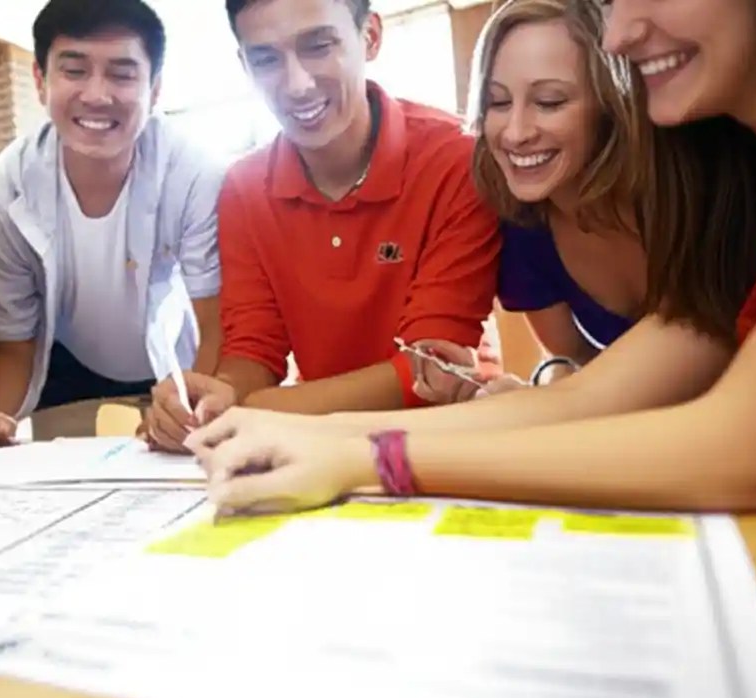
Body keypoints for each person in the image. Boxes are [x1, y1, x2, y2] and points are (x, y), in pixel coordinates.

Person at [189, 0, 756, 535]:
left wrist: (364, 455)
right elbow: (583, 399)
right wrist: (324, 437)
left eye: (550, 100)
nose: (621, 33)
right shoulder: (739, 196)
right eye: (500, 103)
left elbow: (735, 449)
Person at [143, 0, 501, 451]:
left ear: (369, 37)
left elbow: (429, 369)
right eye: (266, 59)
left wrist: (247, 411)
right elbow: (254, 346)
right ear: (244, 66)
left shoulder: (455, 160)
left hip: (454, 434)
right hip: (318, 441)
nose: (296, 85)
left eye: (318, 46)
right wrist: (220, 395)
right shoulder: (244, 187)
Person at [0, 0, 224, 422]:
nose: (97, 95)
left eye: (122, 74)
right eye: (74, 70)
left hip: (174, 368)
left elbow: (217, 322)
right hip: (61, 365)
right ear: (40, 79)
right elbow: (10, 346)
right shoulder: (1, 194)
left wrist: (198, 412)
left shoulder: (194, 175)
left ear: (155, 89)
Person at [465, 0, 648, 395]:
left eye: (549, 102)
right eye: (497, 102)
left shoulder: (676, 190)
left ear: (610, 104)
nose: (515, 133)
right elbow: (582, 366)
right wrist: (542, 389)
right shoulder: (521, 229)